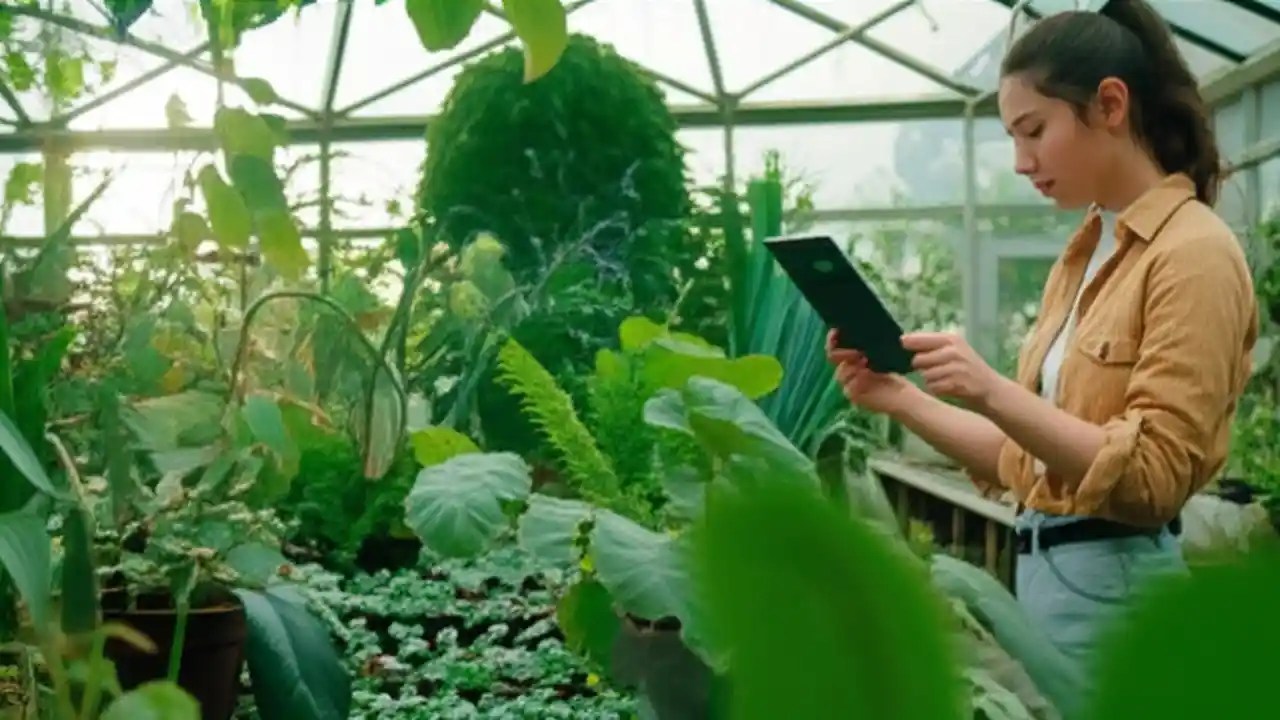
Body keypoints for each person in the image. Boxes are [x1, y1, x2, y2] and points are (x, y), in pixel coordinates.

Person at [826, 0, 1258, 687]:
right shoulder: (1086, 253)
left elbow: (1150, 482)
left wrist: (991, 389)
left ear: (1109, 105)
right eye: (1011, 138)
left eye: (1034, 131)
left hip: (1122, 597)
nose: (1022, 162)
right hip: (1056, 583)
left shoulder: (1194, 252)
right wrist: (899, 399)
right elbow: (1025, 464)